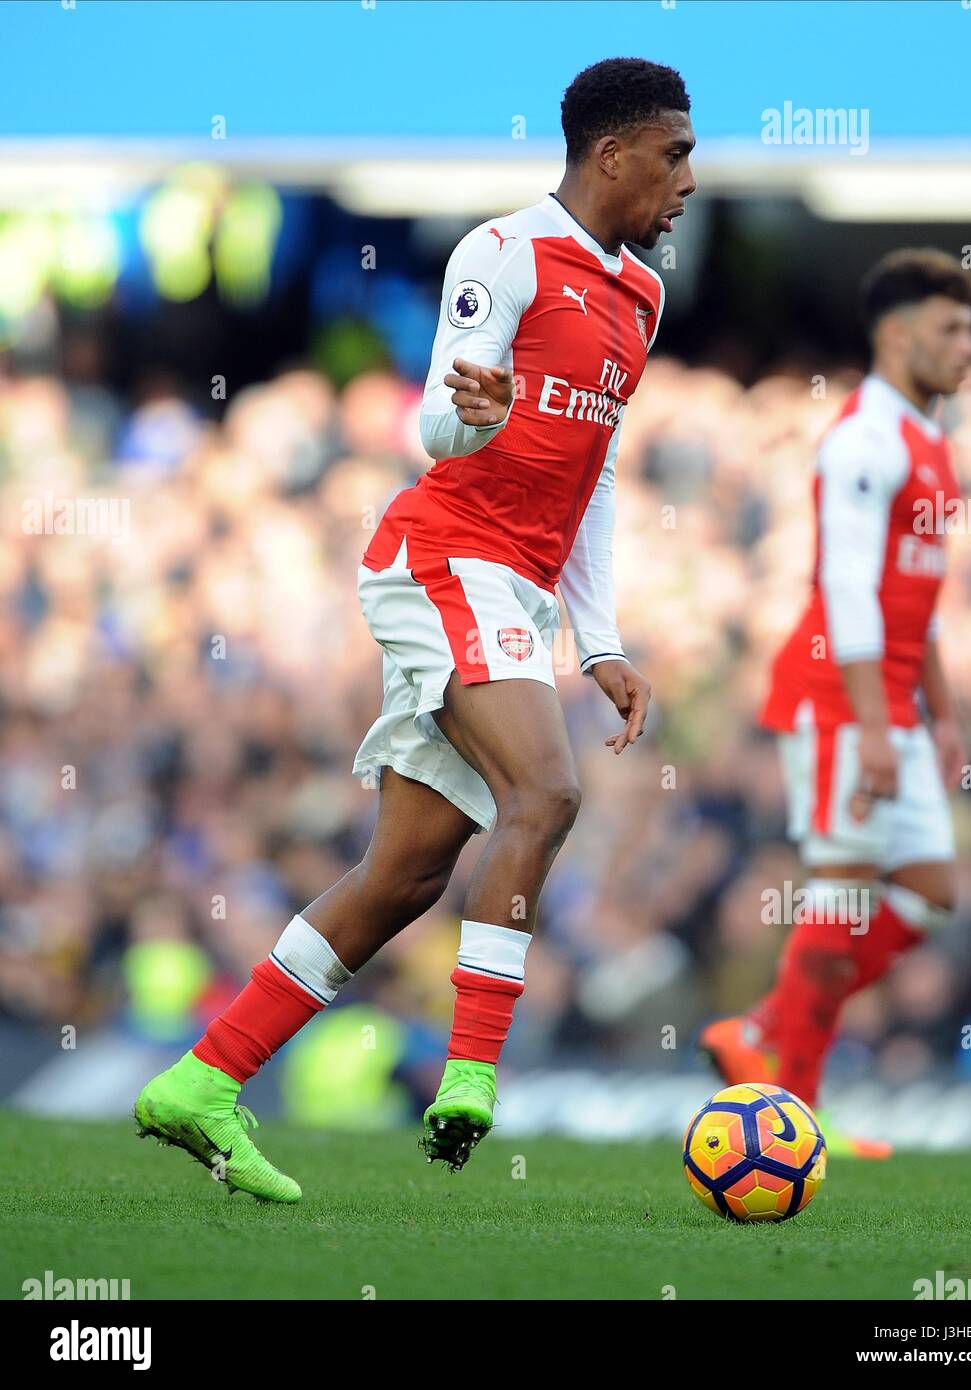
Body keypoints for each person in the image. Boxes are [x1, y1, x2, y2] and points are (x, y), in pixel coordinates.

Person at [134, 57, 696, 1200]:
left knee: (406, 872)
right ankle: (475, 1073)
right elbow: (441, 413)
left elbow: (591, 482)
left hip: (516, 590)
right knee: (549, 793)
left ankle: (201, 1080)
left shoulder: (641, 297)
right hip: (443, 556)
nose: (689, 178)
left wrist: (598, 641)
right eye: (675, 153)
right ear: (612, 154)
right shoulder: (503, 251)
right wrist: (466, 411)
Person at [701, 248, 971, 1157]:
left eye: (970, 327)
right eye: (951, 328)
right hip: (839, 700)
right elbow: (850, 588)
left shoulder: (928, 442)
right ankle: (795, 1107)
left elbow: (917, 594)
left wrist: (941, 714)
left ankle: (765, 1035)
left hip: (893, 705)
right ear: (896, 335)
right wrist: (870, 725)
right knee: (847, 898)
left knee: (930, 893)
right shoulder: (864, 440)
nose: (969, 346)